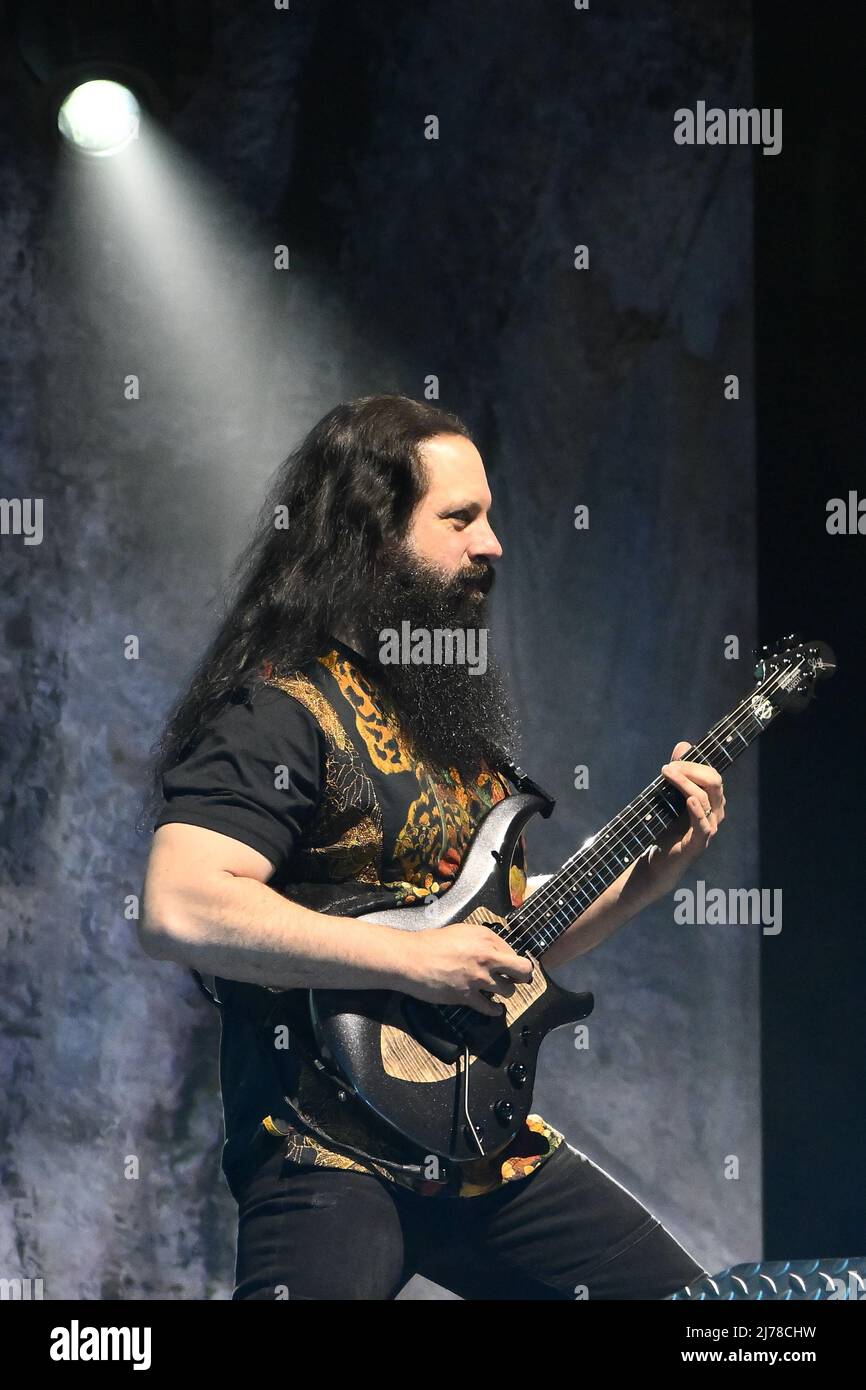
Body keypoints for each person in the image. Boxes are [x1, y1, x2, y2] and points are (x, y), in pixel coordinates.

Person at [139, 394, 725, 1300]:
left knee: (719, 1327)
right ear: (373, 540)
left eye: (488, 518)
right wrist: (415, 959)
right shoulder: (281, 712)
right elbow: (182, 903)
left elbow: (498, 959)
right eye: (460, 519)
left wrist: (654, 875)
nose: (491, 544)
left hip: (483, 1158)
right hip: (324, 1153)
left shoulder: (458, 740)